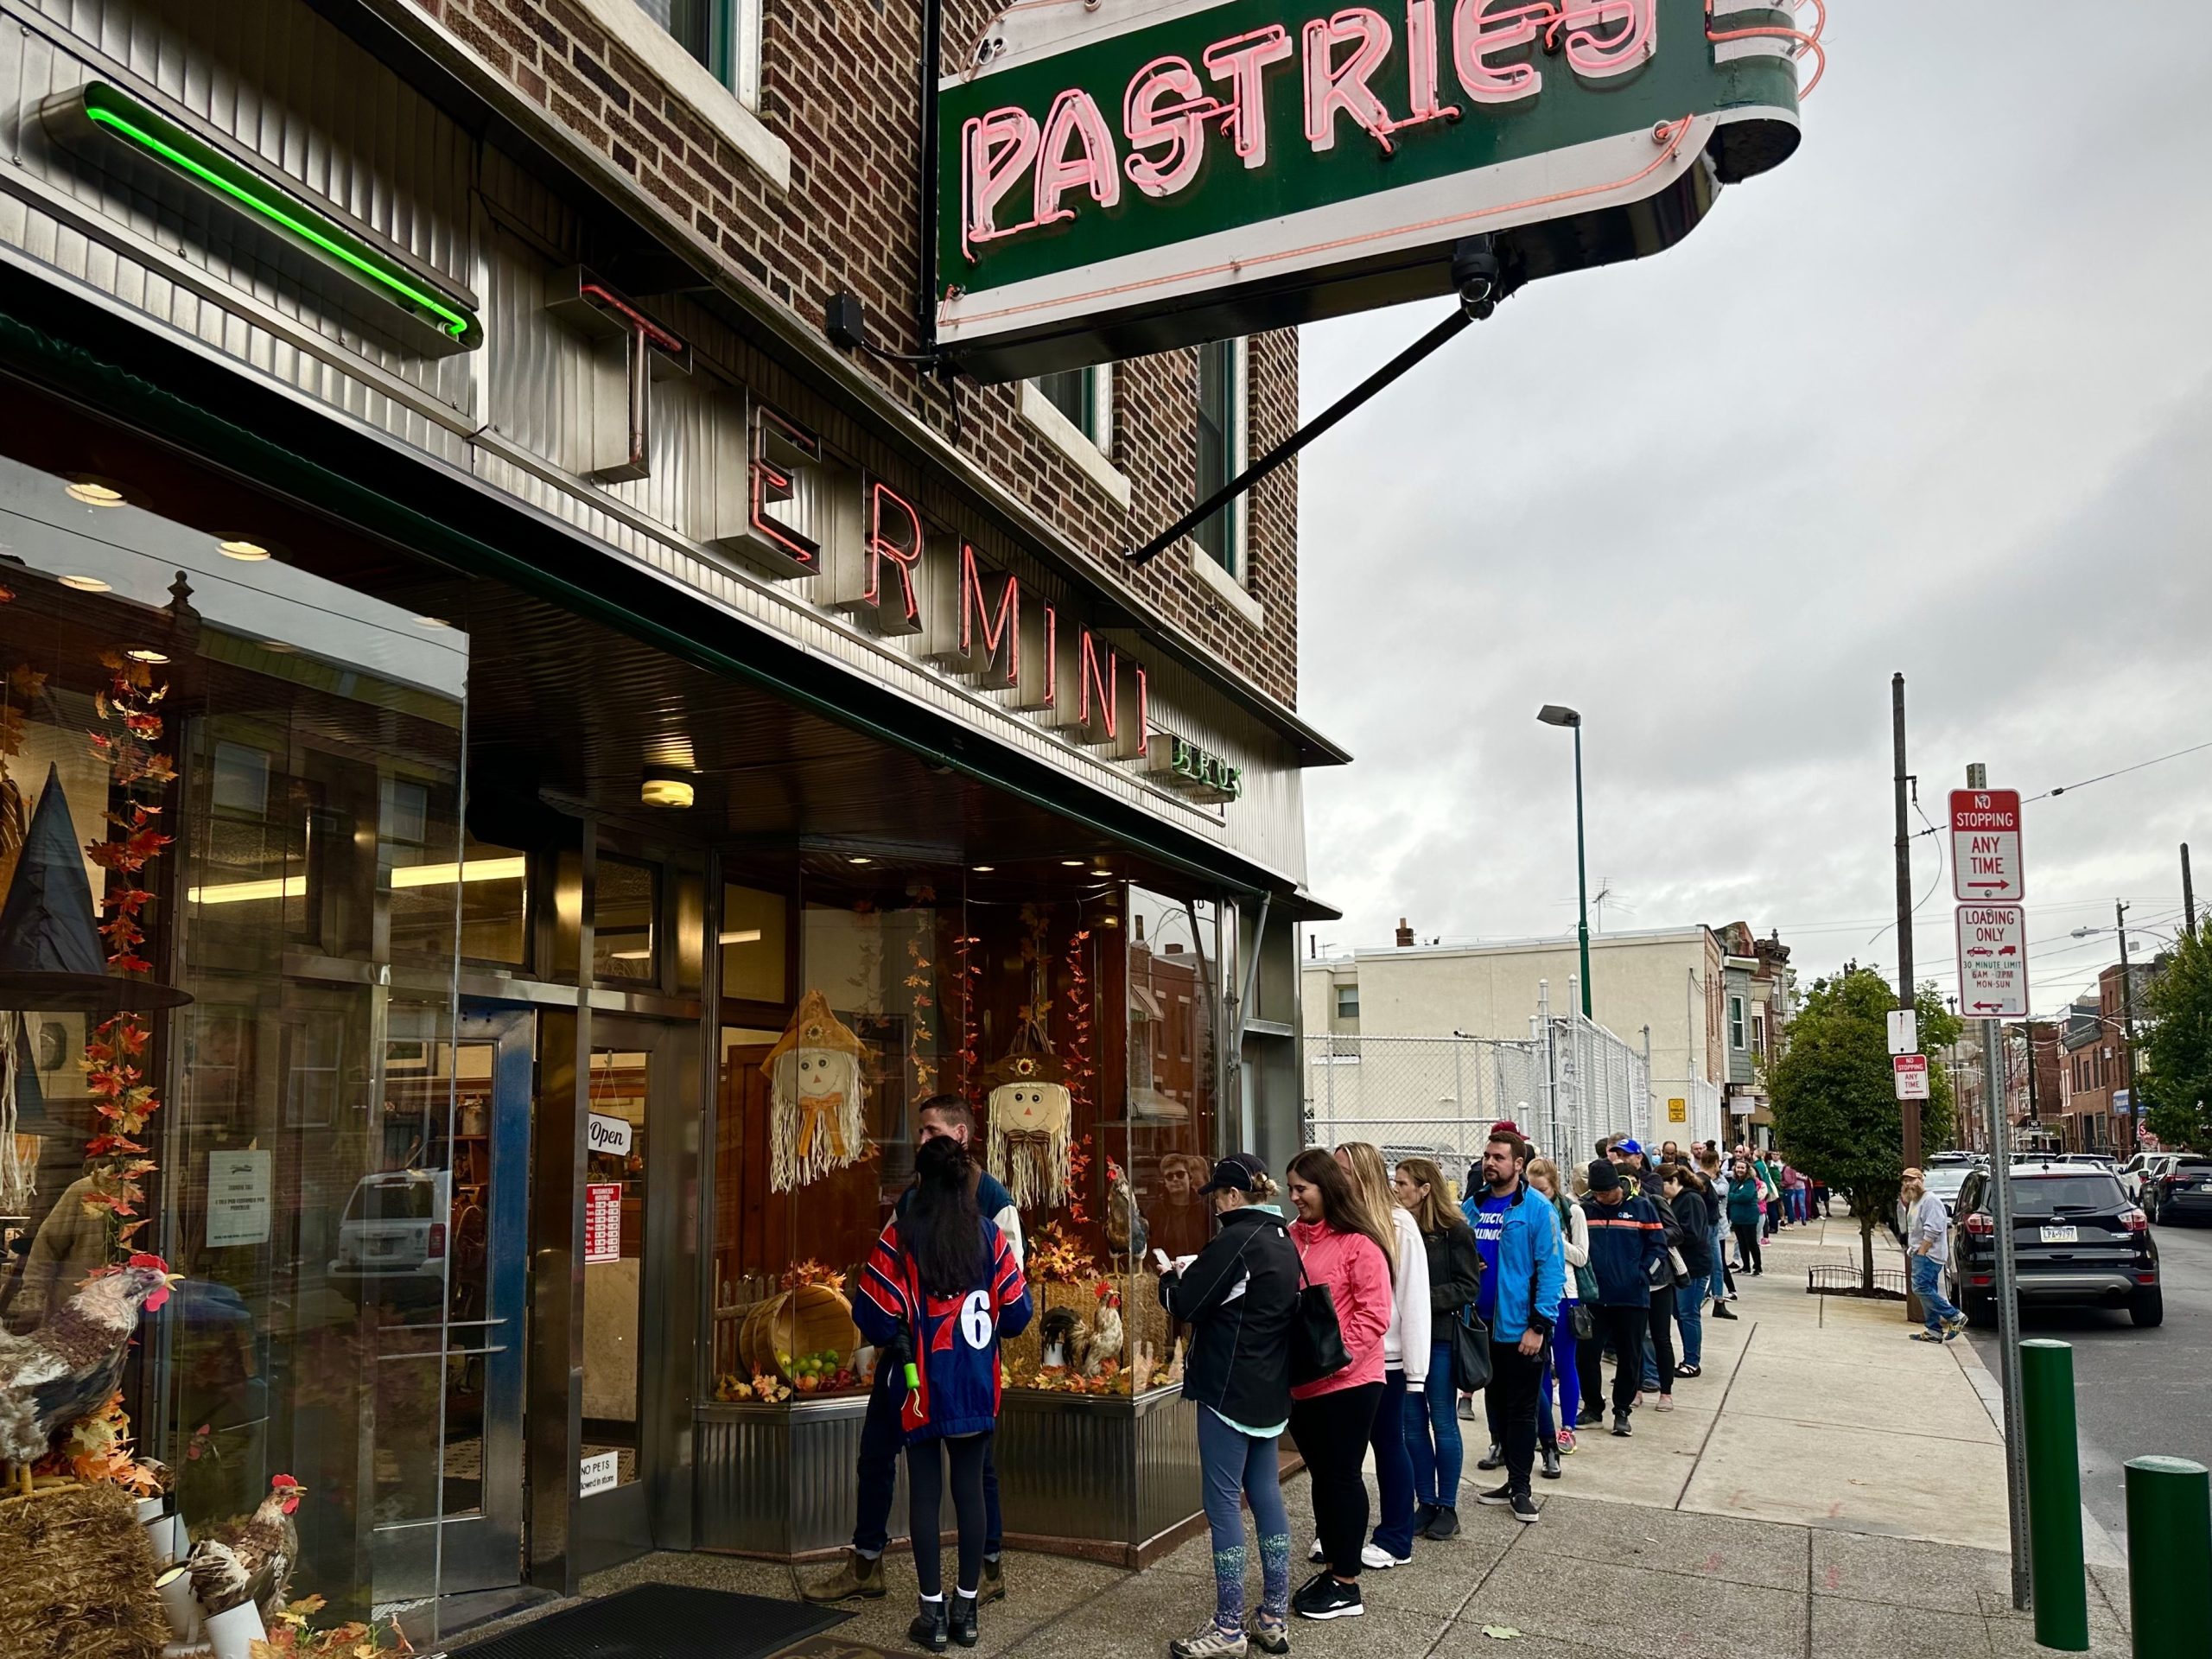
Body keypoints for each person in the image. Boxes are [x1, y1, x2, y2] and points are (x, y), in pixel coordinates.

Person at [806, 1096, 1024, 1605]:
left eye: (929, 1132)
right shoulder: (913, 1200)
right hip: (911, 1359)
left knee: (969, 1475)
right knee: (878, 1453)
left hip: (952, 1360)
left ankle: (985, 1570)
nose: (920, 1141)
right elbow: (1014, 1304)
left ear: (960, 1135)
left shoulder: (994, 1203)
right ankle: (869, 1563)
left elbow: (1010, 1288)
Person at [855, 1134, 1033, 1652]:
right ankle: (967, 1609)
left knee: (926, 1494)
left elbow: (871, 1314)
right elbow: (1018, 1315)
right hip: (976, 1383)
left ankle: (930, 1615)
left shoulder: (902, 1240)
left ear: (921, 1182)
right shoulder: (988, 1238)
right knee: (972, 1490)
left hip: (920, 1387)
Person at [1159, 1153, 1300, 1658]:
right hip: (1269, 1389)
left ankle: (1227, 1628)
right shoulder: (1284, 1241)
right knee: (1265, 1496)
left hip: (1226, 1389)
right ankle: (1273, 1616)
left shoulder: (1235, 1239)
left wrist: (1170, 1277)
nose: (1215, 1205)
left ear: (1234, 1197)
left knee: (1222, 1505)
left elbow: (1185, 1304)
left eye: (1217, 1195)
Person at [1284, 1148, 1394, 1621]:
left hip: (1350, 1383)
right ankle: (1333, 1568)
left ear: (1327, 1189)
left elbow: (1374, 1316)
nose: (1294, 1197)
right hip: (1303, 1384)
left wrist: (1333, 1358)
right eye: (1290, 1188)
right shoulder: (1288, 1238)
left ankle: (1347, 1583)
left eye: (1301, 1189)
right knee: (1323, 1478)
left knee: (1342, 1476)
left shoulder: (1359, 1244)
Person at [1335, 1143, 1428, 1568]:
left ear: (1366, 1174)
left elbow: (1413, 1297)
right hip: (1339, 1356)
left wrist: (1416, 1370)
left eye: (1345, 1171)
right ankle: (1338, 1532)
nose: (1337, 1179)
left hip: (1385, 1357)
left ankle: (1395, 1536)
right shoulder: (1335, 1221)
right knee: (1342, 1452)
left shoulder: (1398, 1223)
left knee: (1389, 1443)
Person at [1465, 1130, 1562, 1522]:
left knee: (1523, 1410)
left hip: (1520, 1329)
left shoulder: (1537, 1209)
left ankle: (1522, 1489)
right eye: (1487, 1156)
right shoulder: (1472, 1207)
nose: (1491, 1163)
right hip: (1479, 1327)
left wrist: (1538, 1325)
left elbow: (1550, 1270)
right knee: (1497, 1405)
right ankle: (1508, 1478)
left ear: (1518, 1164)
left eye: (1499, 1158)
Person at [1394, 1156, 1478, 1539]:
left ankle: (1448, 1505)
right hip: (1405, 1338)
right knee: (1411, 1425)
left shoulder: (1454, 1230)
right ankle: (1424, 1501)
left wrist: (1420, 1299)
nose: (1396, 1190)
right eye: (1394, 1183)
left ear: (1425, 1189)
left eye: (1403, 1183)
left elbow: (1468, 1285)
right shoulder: (1395, 1227)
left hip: (1441, 1336)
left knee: (1442, 1420)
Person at [1580, 1159, 1667, 1437]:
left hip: (1631, 1298)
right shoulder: (1585, 1210)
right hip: (1594, 1298)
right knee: (1586, 1355)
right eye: (1597, 1194)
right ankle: (1593, 1407)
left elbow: (1658, 1248)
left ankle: (1622, 1411)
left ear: (1618, 1186)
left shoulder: (1642, 1207)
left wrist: (1642, 1274)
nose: (1602, 1198)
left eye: (1606, 1193)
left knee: (1630, 1356)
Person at [1526, 1157, 1586, 1471]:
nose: (1537, 1195)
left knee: (1564, 1363)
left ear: (1554, 1186)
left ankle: (1569, 1428)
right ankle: (1545, 1427)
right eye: (1532, 1189)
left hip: (1565, 1296)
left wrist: (1556, 1242)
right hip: (1533, 1295)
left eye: (1543, 1190)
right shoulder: (1527, 1210)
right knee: (1541, 1366)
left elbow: (1583, 1256)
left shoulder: (1572, 1211)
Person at [1900, 1168, 1967, 1343]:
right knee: (1927, 1290)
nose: (1908, 1184)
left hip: (1929, 1254)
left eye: (1912, 1180)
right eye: (1905, 1181)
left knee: (1920, 1288)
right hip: (1920, 1252)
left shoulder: (1930, 1201)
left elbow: (1934, 1229)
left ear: (1921, 1180)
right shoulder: (1915, 1201)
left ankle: (1955, 1316)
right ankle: (1933, 1331)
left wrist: (1922, 1251)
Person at [1661, 1164, 1713, 1377]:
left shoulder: (1691, 1199)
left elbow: (1694, 1234)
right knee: (1681, 1313)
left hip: (1694, 1266)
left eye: (1662, 1185)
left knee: (1688, 1313)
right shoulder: (1675, 1200)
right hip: (1680, 1266)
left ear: (1673, 1181)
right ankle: (1688, 1358)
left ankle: (1692, 1361)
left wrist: (1668, 1236)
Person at [1698, 1148, 1737, 1320]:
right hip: (1707, 1227)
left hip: (1713, 1226)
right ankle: (1697, 1301)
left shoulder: (1707, 1180)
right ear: (1716, 1163)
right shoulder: (1703, 1181)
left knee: (1718, 1266)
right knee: (1709, 1266)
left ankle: (1719, 1302)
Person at [1726, 1154, 1765, 1276]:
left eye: (1742, 1168)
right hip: (1737, 1217)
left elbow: (1745, 1197)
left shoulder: (1750, 1182)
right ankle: (1746, 1266)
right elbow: (1729, 1194)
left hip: (1749, 1217)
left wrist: (1733, 1197)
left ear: (1747, 1170)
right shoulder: (1734, 1181)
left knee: (1751, 1242)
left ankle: (1757, 1267)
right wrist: (1733, 1197)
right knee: (1741, 1242)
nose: (1740, 1170)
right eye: (1738, 1168)